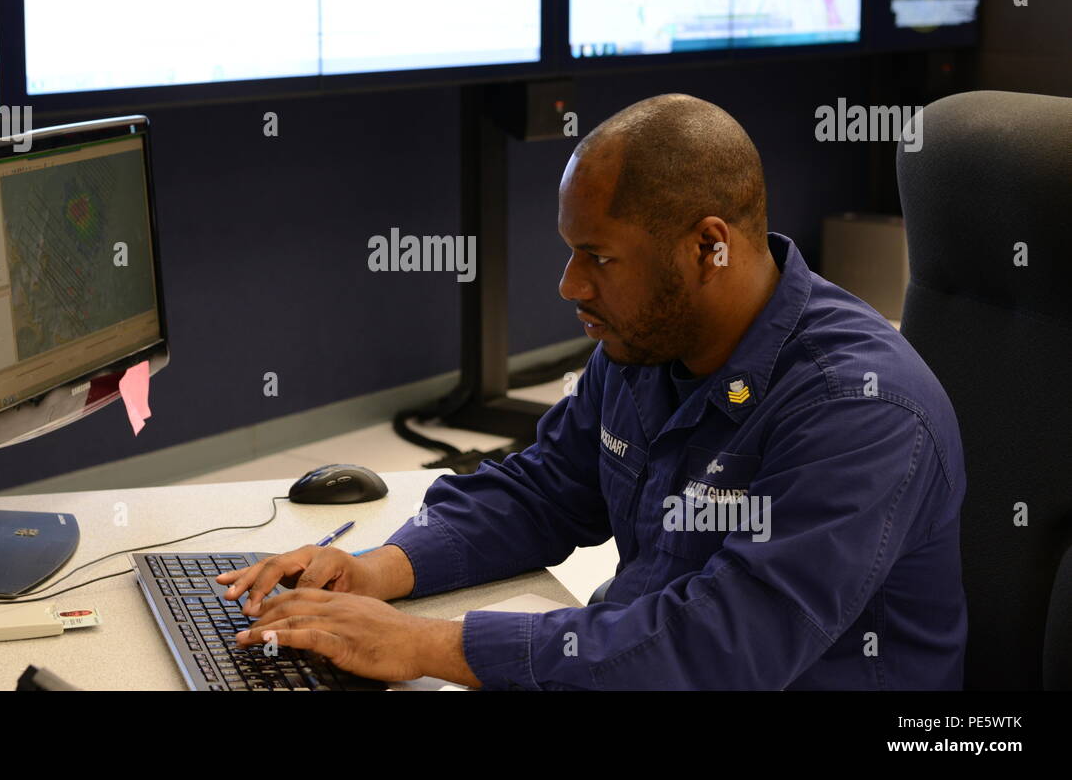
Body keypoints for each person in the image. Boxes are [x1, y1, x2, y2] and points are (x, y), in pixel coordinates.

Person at [217, 93, 967, 690]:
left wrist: (428, 644)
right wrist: (375, 571)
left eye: (598, 256)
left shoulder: (860, 408)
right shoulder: (647, 338)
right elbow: (542, 492)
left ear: (710, 246)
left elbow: (719, 650)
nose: (571, 286)